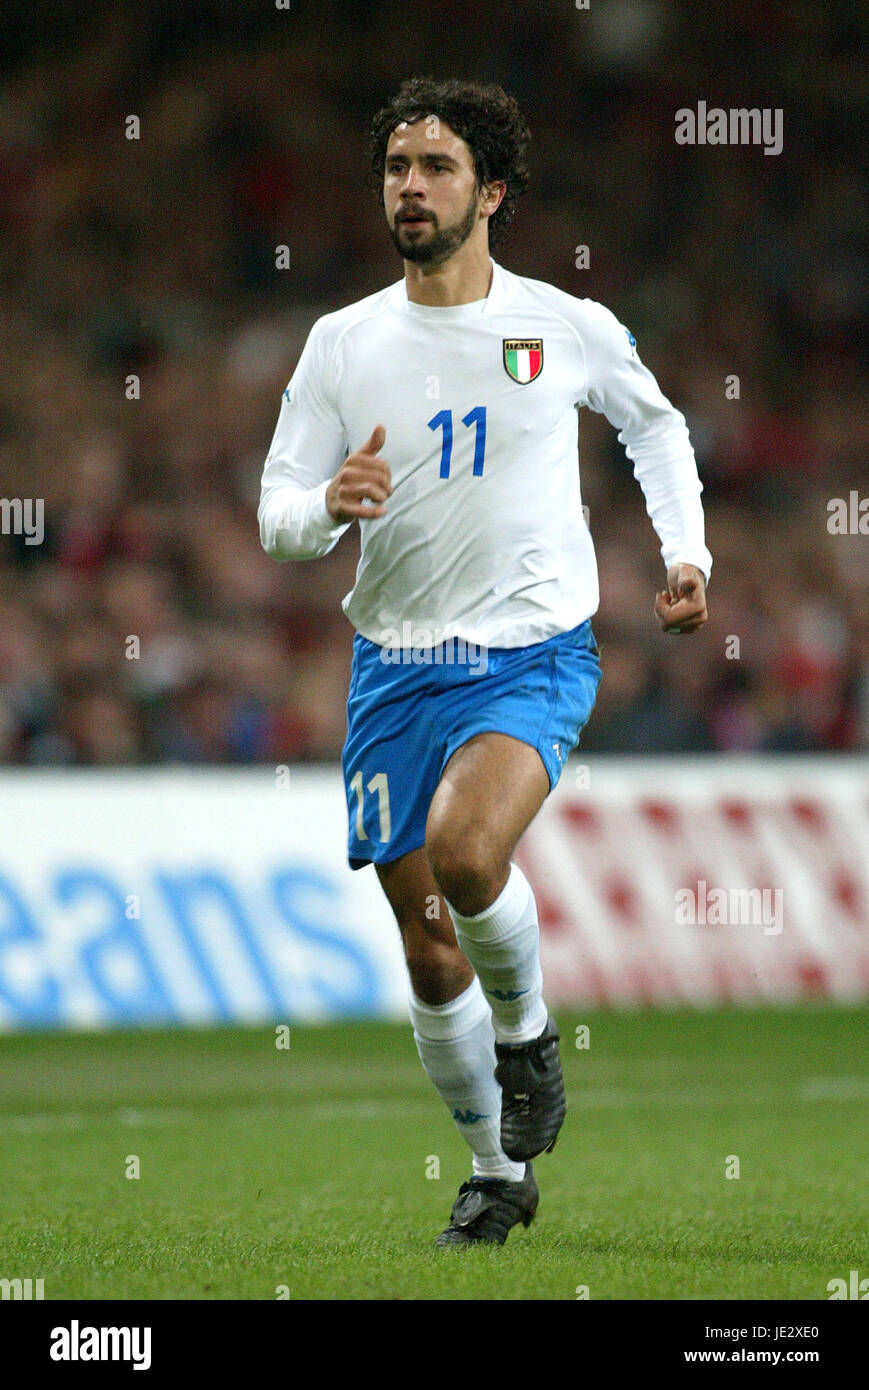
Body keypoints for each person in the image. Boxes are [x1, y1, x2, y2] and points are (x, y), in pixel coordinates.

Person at [258, 77, 711, 1247]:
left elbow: (653, 424)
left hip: (529, 651)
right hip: (393, 665)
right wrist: (324, 505)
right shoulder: (341, 341)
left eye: (437, 167)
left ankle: (528, 1037)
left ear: (491, 192)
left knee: (466, 854)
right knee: (423, 937)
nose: (410, 186)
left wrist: (685, 553)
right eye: (396, 168)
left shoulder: (562, 324)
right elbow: (275, 513)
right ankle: (493, 1171)